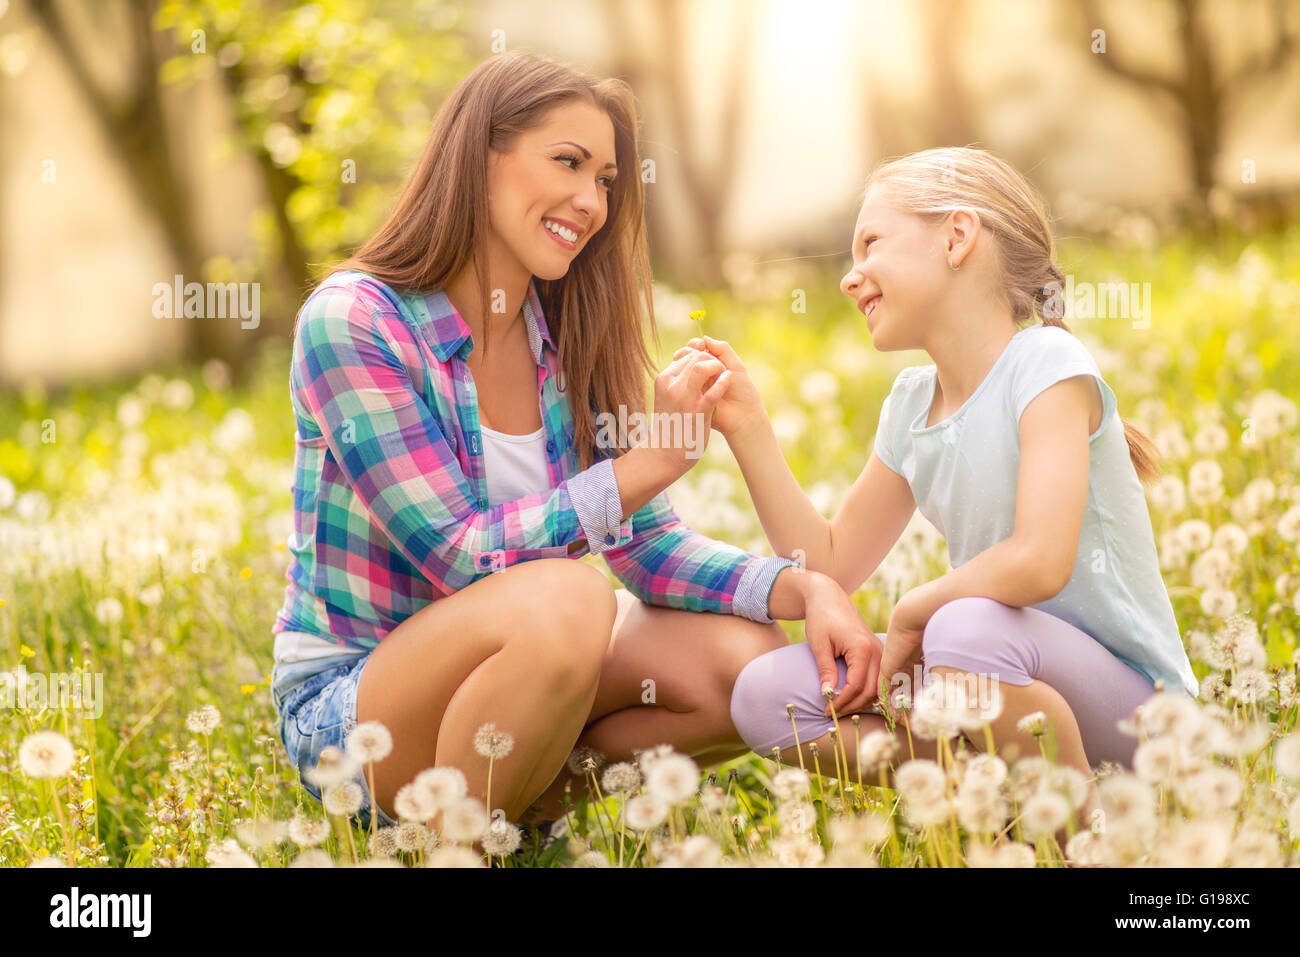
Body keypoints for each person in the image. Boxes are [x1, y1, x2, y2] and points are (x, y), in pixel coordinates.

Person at [269, 50, 873, 837]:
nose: (591, 201)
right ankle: (456, 853)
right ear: (480, 156)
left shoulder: (567, 331)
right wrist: (646, 464)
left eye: (607, 181)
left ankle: (519, 816)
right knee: (570, 597)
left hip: (522, 668)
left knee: (738, 652)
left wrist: (805, 590)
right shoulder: (354, 320)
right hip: (357, 714)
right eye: (568, 163)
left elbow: (644, 549)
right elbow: (456, 554)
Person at [686, 146, 1198, 800]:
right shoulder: (910, 403)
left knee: (961, 626)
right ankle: (1002, 790)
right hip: (982, 672)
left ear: (957, 237)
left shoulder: (1045, 362)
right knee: (766, 695)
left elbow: (1041, 560)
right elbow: (832, 564)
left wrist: (912, 611)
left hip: (1143, 722)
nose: (850, 277)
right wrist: (749, 428)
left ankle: (1078, 843)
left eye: (870, 243)